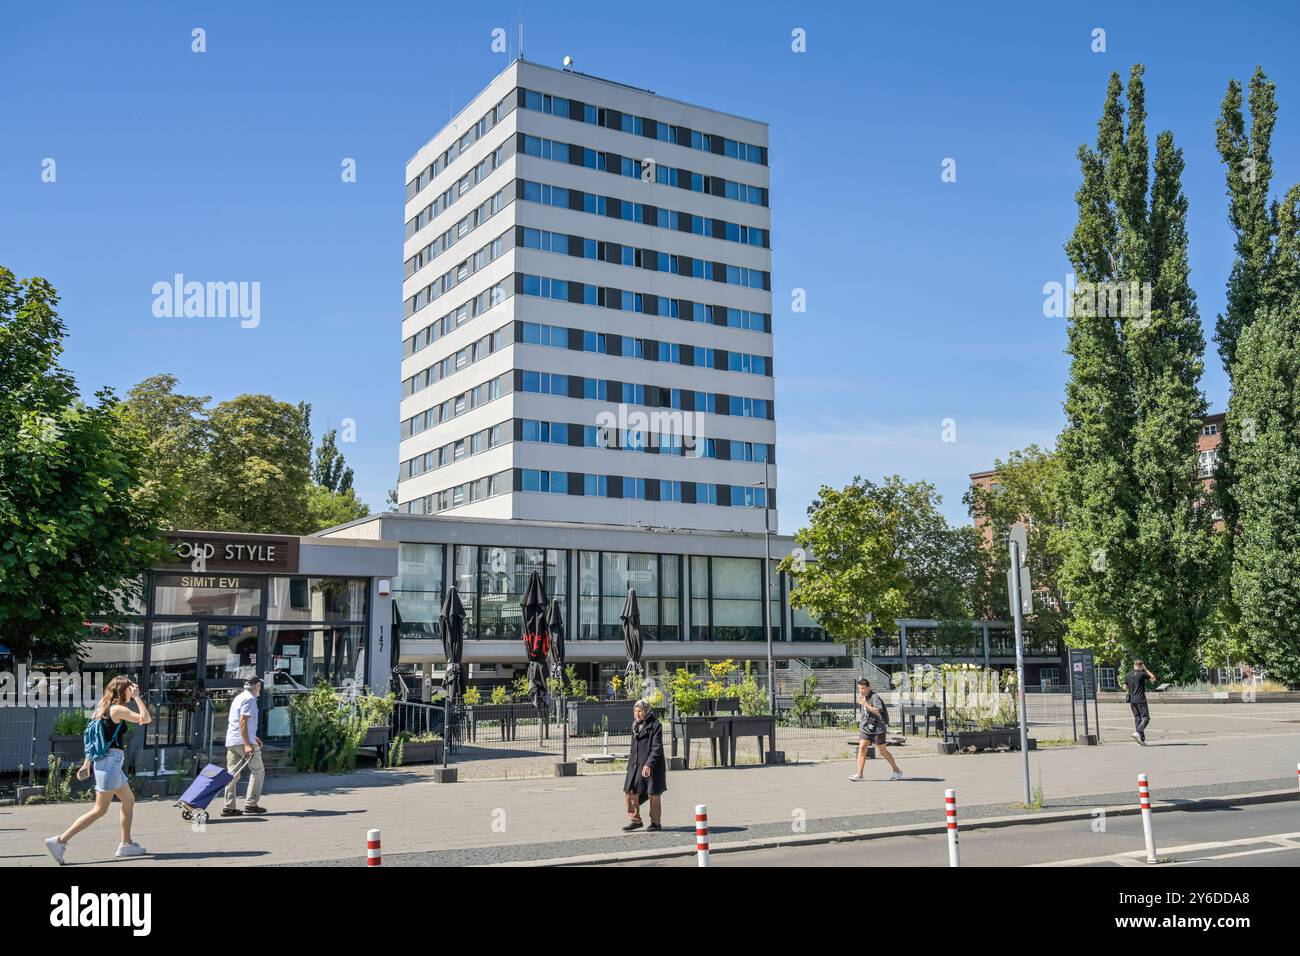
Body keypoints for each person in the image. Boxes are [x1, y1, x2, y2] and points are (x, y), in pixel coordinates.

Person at [44, 676, 152, 864]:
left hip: (108, 763)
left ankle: (126, 844)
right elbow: (146, 718)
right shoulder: (118, 709)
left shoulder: (101, 708)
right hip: (110, 763)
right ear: (122, 690)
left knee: (128, 799)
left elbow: (92, 741)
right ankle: (59, 841)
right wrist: (137, 698)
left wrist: (87, 764)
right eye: (130, 688)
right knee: (99, 809)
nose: (132, 690)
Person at [222, 677, 266, 816]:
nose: (260, 689)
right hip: (242, 741)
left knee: (232, 775)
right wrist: (248, 743)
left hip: (232, 740)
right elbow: (243, 721)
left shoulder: (239, 697)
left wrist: (253, 737)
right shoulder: (250, 699)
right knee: (258, 771)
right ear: (257, 686)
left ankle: (229, 807)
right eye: (259, 686)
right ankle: (251, 804)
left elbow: (238, 721)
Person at [622, 698, 666, 832]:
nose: (637, 713)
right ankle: (635, 820)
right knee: (630, 791)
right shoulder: (635, 725)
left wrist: (649, 765)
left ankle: (655, 823)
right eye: (635, 710)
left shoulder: (656, 725)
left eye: (640, 711)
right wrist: (630, 765)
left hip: (652, 765)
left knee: (653, 793)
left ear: (646, 711)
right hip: (636, 764)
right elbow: (633, 748)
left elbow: (656, 748)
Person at [850, 678, 903, 781]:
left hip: (878, 729)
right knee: (861, 749)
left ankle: (897, 770)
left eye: (863, 688)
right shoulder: (862, 697)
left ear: (868, 687)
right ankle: (860, 774)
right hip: (866, 728)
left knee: (882, 752)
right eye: (859, 688)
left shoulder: (874, 697)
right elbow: (864, 713)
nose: (861, 690)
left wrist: (865, 704)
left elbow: (878, 711)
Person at [1126, 659, 1156, 745]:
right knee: (1146, 718)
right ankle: (1138, 732)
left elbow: (1125, 687)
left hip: (1132, 700)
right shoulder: (1142, 674)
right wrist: (1146, 669)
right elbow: (1153, 678)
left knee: (1137, 718)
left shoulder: (1128, 675)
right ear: (1141, 666)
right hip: (1141, 699)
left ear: (1134, 665)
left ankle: (1141, 740)